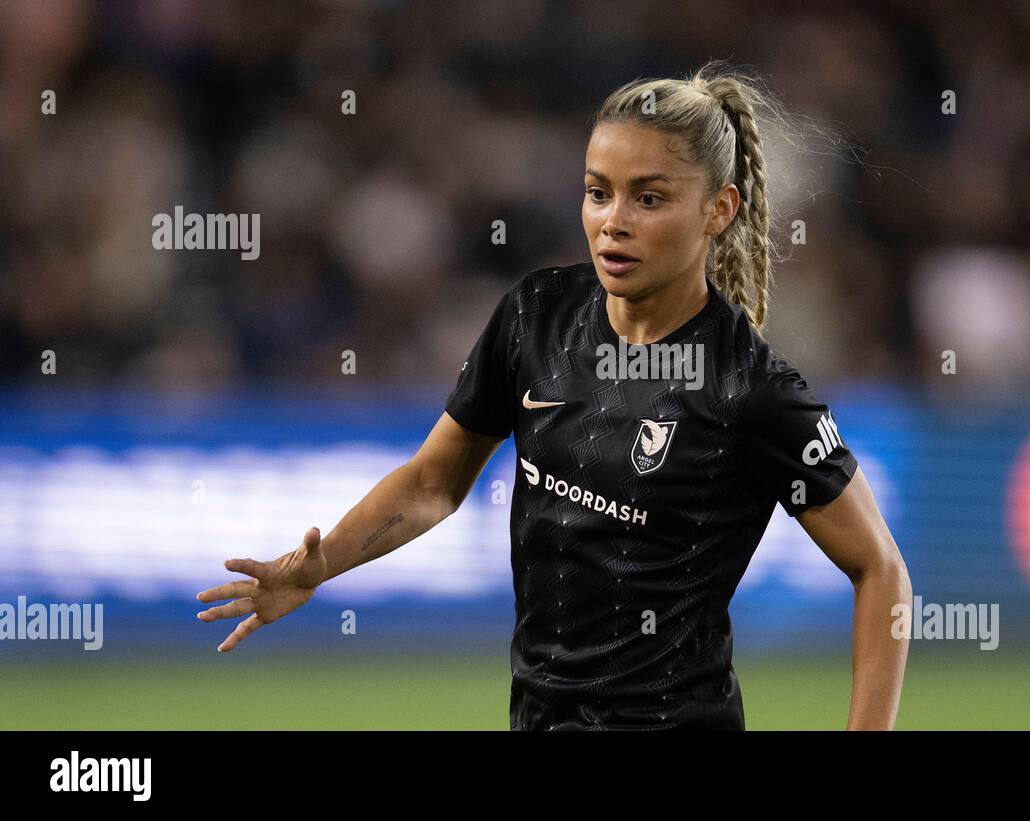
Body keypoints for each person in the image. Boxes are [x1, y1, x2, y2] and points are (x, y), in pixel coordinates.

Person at [197, 61, 911, 730]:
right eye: (598, 191)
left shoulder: (750, 390)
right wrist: (324, 566)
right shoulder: (535, 316)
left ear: (718, 210)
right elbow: (431, 485)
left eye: (650, 197)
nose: (614, 220)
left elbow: (878, 566)